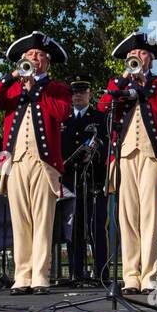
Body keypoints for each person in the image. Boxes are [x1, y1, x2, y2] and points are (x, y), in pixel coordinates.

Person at [0, 31, 72, 295]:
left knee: (43, 221)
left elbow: (61, 112)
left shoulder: (57, 88)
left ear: (48, 63)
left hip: (45, 163)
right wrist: (11, 77)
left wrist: (37, 90)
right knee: (20, 221)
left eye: (40, 56)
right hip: (16, 161)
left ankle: (41, 276)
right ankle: (22, 276)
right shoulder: (12, 87)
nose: (35, 59)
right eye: (31, 55)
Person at [98, 32, 157, 295]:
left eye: (142, 54)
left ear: (151, 59)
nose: (137, 58)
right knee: (127, 216)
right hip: (124, 155)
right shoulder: (117, 82)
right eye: (133, 55)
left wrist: (145, 88)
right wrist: (123, 82)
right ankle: (130, 276)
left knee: (149, 216)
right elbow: (103, 107)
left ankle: (149, 276)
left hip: (152, 156)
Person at [60, 81, 109, 286]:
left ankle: (101, 272)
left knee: (96, 226)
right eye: (74, 93)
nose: (78, 96)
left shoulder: (99, 117)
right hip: (71, 180)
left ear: (90, 94)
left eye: (82, 92)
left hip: (94, 179)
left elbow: (106, 142)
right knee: (74, 228)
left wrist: (95, 152)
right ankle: (75, 272)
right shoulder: (64, 118)